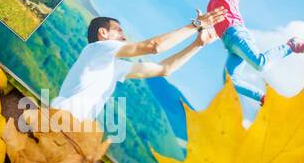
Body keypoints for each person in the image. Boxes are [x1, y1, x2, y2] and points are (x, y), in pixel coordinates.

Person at [201, 0, 304, 122]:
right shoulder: (212, 3)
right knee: (231, 81)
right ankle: (263, 98)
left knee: (261, 64)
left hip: (237, 35)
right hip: (230, 44)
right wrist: (202, 23)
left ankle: (292, 45)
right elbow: (216, 24)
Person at [51, 12, 222, 124]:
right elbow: (153, 46)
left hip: (72, 129)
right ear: (103, 33)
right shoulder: (97, 48)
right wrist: (196, 25)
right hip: (62, 121)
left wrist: (198, 44)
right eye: (118, 31)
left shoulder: (114, 67)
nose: (124, 36)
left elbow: (163, 69)